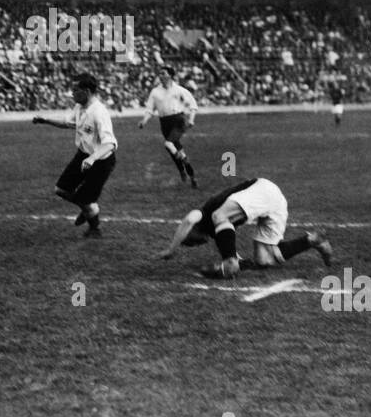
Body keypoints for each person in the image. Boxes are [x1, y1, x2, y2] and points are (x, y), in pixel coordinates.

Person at [157, 177, 332, 279]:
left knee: (219, 215)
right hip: (274, 200)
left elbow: (188, 219)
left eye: (193, 241)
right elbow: (228, 244)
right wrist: (239, 260)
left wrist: (171, 249)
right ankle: (312, 239)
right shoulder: (218, 230)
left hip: (261, 190)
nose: (199, 243)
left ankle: (229, 266)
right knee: (265, 260)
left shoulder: (202, 215)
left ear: (194, 232)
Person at [32, 72, 117, 238]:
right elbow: (68, 122)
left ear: (86, 91)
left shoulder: (99, 112)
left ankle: (94, 228)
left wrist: (92, 158)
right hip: (83, 155)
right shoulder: (80, 107)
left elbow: (110, 144)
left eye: (75, 90)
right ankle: (89, 208)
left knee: (85, 201)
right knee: (61, 189)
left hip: (100, 161)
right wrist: (45, 120)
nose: (72, 94)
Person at [137, 70, 199, 186]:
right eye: (159, 73)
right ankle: (190, 174)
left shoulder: (179, 90)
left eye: (163, 73)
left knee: (168, 144)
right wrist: (144, 121)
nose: (160, 75)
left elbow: (193, 104)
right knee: (176, 150)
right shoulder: (155, 92)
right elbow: (150, 109)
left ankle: (184, 167)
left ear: (170, 75)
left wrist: (191, 119)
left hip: (178, 120)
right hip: (164, 122)